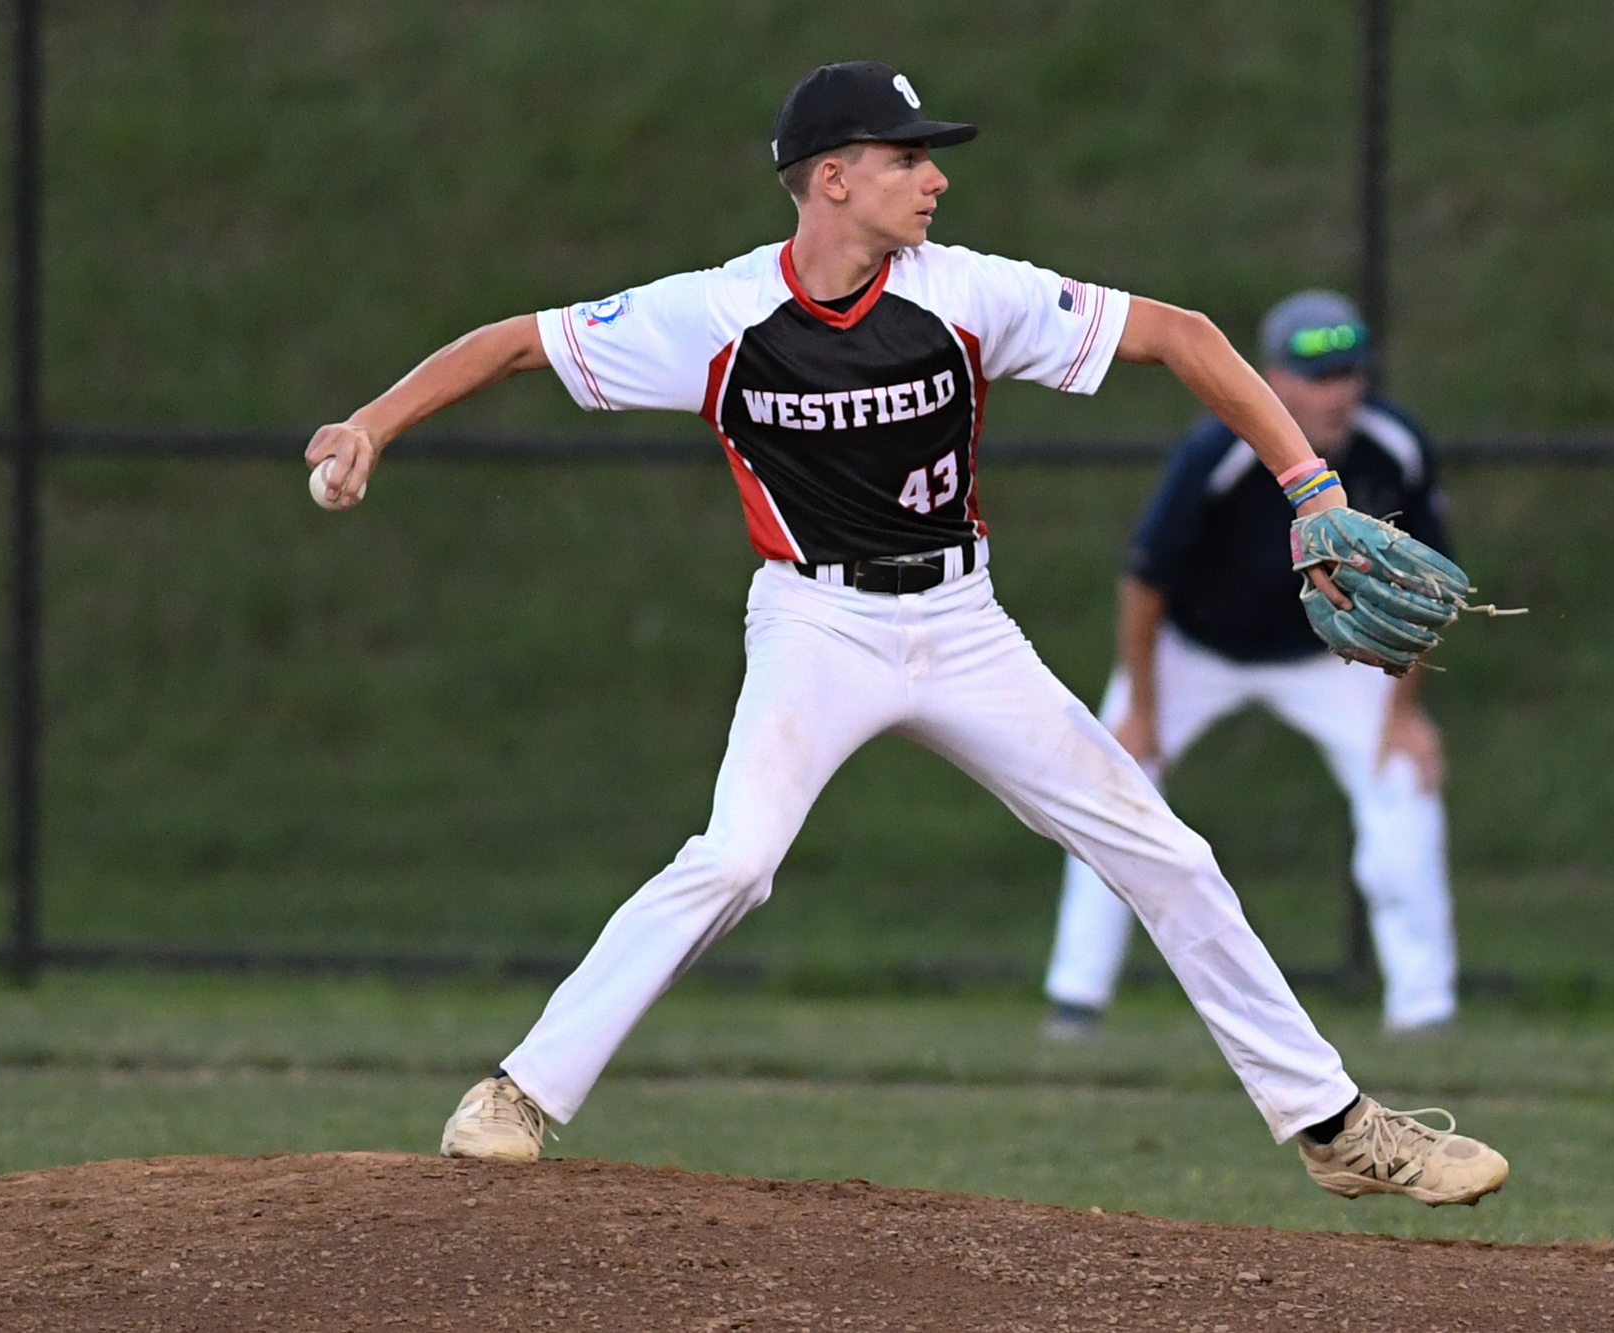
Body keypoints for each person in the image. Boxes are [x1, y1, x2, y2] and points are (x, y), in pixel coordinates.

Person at [305, 61, 1507, 1207]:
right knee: (733, 860)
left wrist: (1311, 489)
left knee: (1165, 851)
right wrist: (372, 422)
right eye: (905, 158)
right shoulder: (718, 314)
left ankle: (1333, 1126)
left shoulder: (964, 292)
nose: (934, 178)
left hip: (961, 623)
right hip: (815, 622)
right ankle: (518, 1092)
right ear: (830, 177)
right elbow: (521, 340)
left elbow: (1180, 334)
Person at [1042, 290, 1461, 1042]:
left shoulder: (1393, 444)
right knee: (1111, 781)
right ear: (1274, 378)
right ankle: (1077, 997)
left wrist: (1404, 713)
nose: (1339, 392)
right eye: (1319, 375)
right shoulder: (1219, 450)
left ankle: (1424, 1009)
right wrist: (1142, 708)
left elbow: (1426, 587)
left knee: (1404, 779)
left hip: (1324, 655)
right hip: (1192, 650)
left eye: (1349, 373)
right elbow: (1145, 579)